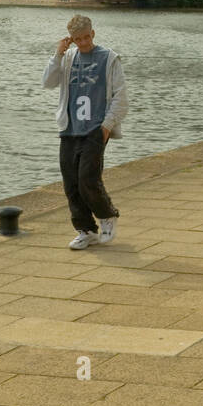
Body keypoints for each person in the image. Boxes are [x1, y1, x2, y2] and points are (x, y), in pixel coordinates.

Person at [42, 14, 128, 250]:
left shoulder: (109, 58)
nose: (82, 43)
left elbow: (121, 97)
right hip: (69, 128)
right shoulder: (67, 58)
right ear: (70, 39)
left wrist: (107, 126)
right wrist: (58, 54)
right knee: (70, 183)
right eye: (77, 39)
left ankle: (107, 215)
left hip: (95, 129)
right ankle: (86, 230)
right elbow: (47, 83)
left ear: (93, 34)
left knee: (87, 179)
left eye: (86, 37)